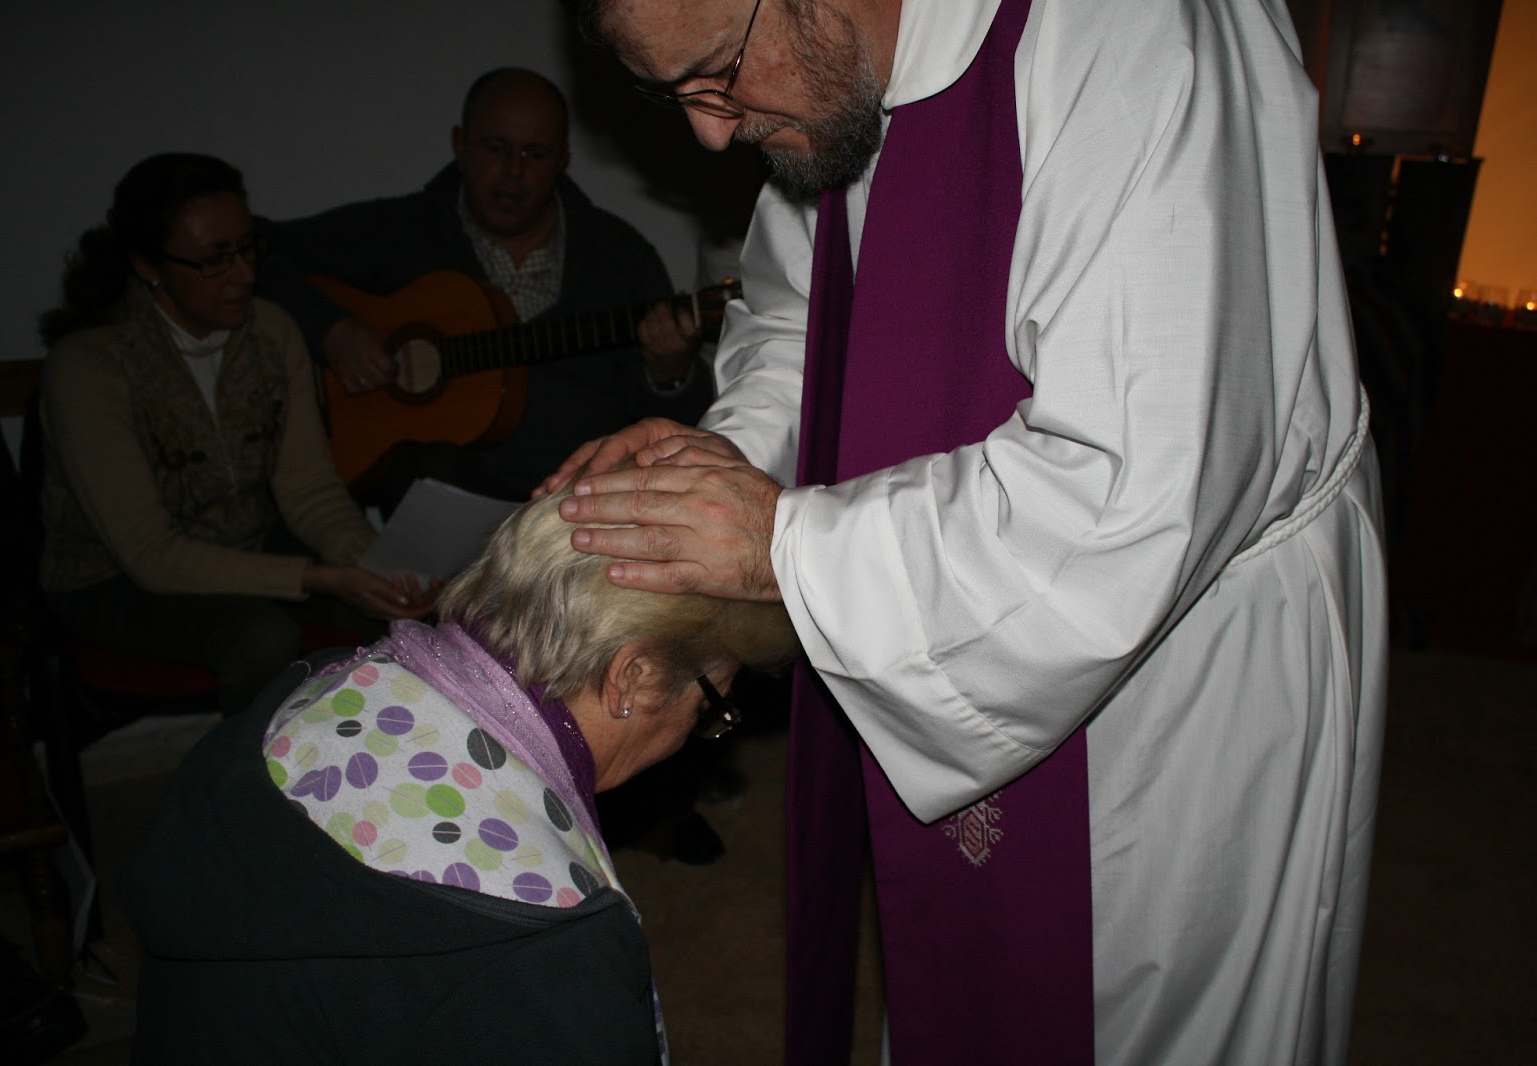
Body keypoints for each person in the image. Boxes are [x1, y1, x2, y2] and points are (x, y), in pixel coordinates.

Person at [546, 1, 1388, 1063]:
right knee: (961, 980)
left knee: (1143, 1015)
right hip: (944, 585)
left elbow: (1133, 494)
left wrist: (781, 548)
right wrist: (726, 469)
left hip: (1179, 660)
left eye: (715, 73)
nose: (708, 133)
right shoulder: (831, 71)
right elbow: (796, 314)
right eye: (670, 94)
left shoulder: (1140, 36)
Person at [120, 487, 797, 1063]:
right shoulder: (546, 941)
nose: (701, 733)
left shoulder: (317, 687)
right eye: (713, 701)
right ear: (635, 677)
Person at [36, 153, 433, 718]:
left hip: (246, 546)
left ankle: (388, 773)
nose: (244, 274)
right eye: (213, 261)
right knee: (260, 637)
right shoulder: (89, 366)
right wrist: (321, 578)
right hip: (111, 580)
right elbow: (150, 553)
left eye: (247, 248)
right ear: (149, 265)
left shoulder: (271, 332)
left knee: (407, 610)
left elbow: (310, 492)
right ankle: (257, 793)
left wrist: (379, 568)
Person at [254, 66, 714, 510]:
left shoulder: (620, 258)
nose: (513, 172)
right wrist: (332, 330)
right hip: (438, 515)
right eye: (496, 148)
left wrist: (671, 374)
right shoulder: (401, 232)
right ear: (461, 146)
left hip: (569, 514)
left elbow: (679, 430)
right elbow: (256, 246)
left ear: (562, 159)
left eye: (535, 154)